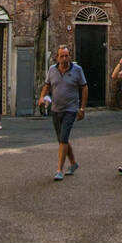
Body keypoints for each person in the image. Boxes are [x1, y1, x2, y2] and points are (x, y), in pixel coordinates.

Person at [38, 45, 87, 181]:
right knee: (62, 139)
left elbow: (84, 87)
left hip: (71, 109)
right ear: (57, 57)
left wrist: (82, 108)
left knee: (64, 138)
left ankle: (59, 169)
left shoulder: (77, 70)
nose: (65, 59)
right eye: (62, 56)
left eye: (67, 55)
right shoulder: (52, 70)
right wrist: (42, 97)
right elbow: (47, 85)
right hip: (56, 109)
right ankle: (73, 163)